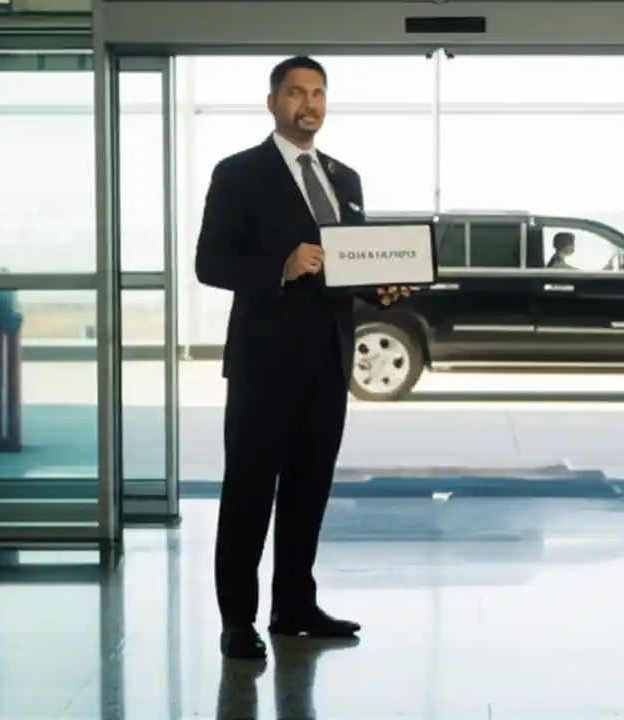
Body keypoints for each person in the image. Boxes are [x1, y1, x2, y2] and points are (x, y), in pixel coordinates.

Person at [194, 55, 407, 660]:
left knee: (308, 491)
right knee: (249, 492)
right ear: (273, 102)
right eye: (295, 93)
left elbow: (348, 263)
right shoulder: (238, 174)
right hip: (264, 365)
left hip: (329, 363)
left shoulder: (345, 178)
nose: (308, 104)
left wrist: (379, 288)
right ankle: (239, 618)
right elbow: (210, 264)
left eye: (317, 93)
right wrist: (279, 268)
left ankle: (294, 606)